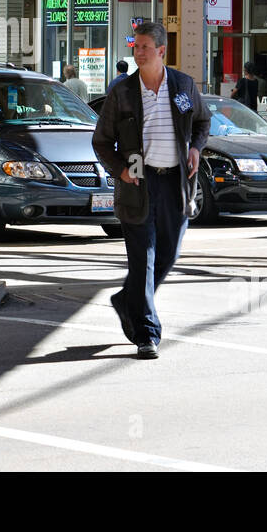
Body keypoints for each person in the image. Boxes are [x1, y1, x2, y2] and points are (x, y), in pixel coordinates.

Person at [92, 21, 210, 360]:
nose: (138, 52)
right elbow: (101, 140)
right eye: (136, 46)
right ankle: (146, 333)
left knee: (169, 253)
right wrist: (121, 171)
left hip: (175, 184)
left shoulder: (183, 86)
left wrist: (196, 148)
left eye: (145, 47)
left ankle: (127, 299)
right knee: (142, 259)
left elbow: (202, 122)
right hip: (138, 186)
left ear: (161, 51)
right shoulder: (123, 92)